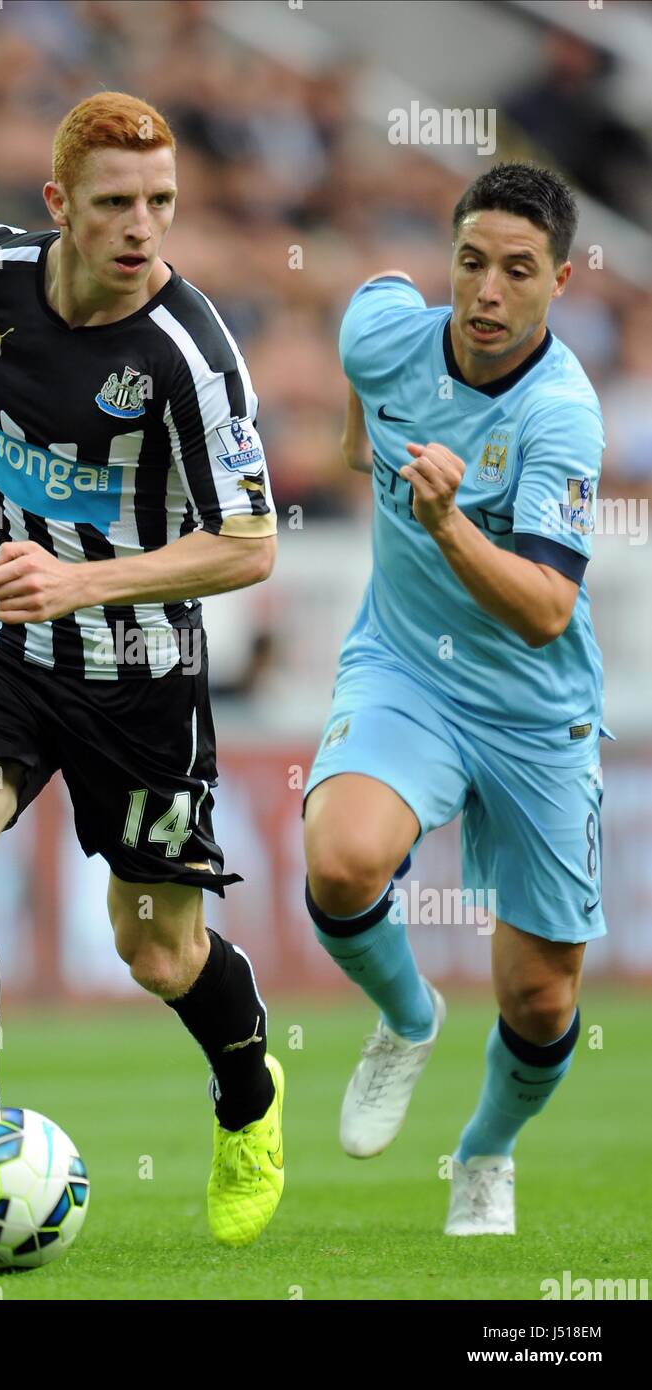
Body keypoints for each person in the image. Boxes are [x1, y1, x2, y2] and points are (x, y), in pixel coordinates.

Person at [0, 92, 283, 1248]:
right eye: (116, 203)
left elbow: (252, 545)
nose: (144, 226)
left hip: (136, 676)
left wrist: (82, 582)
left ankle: (249, 1096)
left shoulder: (189, 355)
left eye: (161, 202)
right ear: (58, 208)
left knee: (157, 949)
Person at [303, 162, 608, 1235]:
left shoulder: (563, 417)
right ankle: (405, 1014)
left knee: (539, 998)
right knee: (341, 860)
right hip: (407, 668)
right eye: (471, 261)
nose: (486, 291)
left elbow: (542, 608)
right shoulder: (389, 334)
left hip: (533, 709)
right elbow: (363, 328)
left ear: (558, 280)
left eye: (516, 271)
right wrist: (360, 432)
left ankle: (482, 1152)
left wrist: (442, 523)